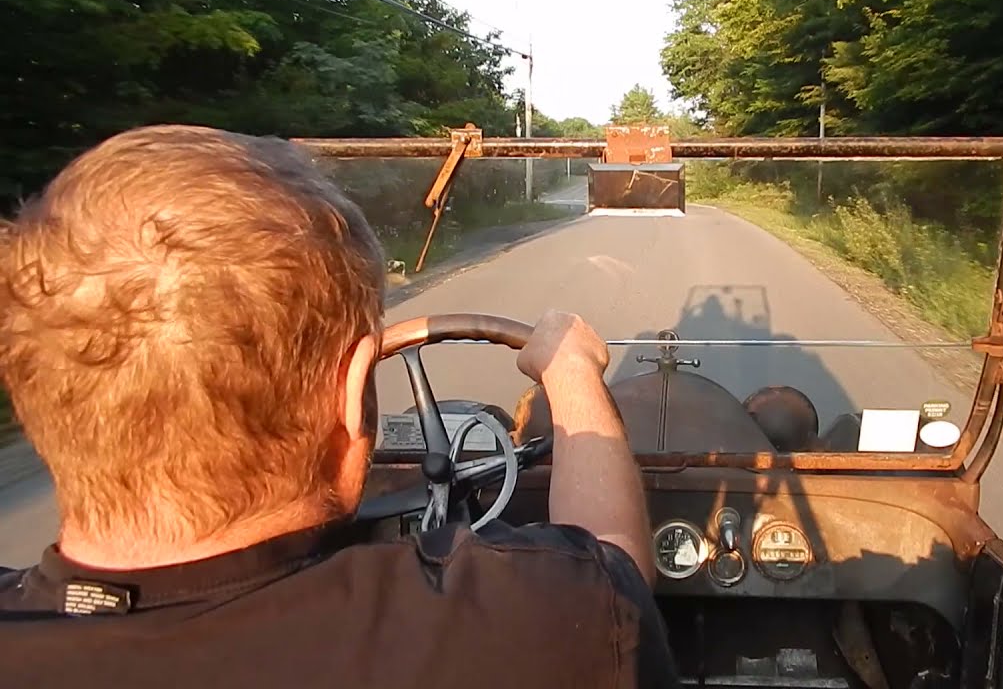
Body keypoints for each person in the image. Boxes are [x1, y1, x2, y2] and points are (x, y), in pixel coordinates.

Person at [0, 125, 680, 688]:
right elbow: (615, 568)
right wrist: (571, 372)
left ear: (38, 398)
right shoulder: (536, 622)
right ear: (353, 394)